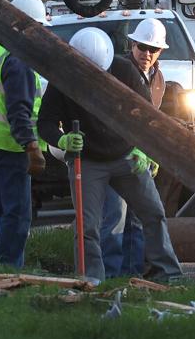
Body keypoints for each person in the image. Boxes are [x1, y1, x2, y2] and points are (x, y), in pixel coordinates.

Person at [37, 27, 182, 283]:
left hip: (126, 156)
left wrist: (145, 149)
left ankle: (168, 273)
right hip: (88, 161)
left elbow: (146, 114)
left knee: (153, 212)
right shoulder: (63, 77)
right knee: (87, 225)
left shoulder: (124, 71)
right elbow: (45, 122)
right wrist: (61, 139)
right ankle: (91, 279)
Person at [0, 0, 48, 268]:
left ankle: (1, 266)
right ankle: (6, 271)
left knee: (5, 213)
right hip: (10, 147)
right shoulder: (19, 60)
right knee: (17, 216)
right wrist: (32, 147)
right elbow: (19, 111)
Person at [100, 18, 168, 278]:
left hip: (139, 158)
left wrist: (150, 151)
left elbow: (151, 120)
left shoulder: (158, 78)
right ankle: (111, 278)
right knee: (115, 217)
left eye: (154, 49)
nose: (147, 54)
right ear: (132, 45)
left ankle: (133, 277)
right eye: (142, 47)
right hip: (116, 155)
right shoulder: (119, 70)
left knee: (139, 219)